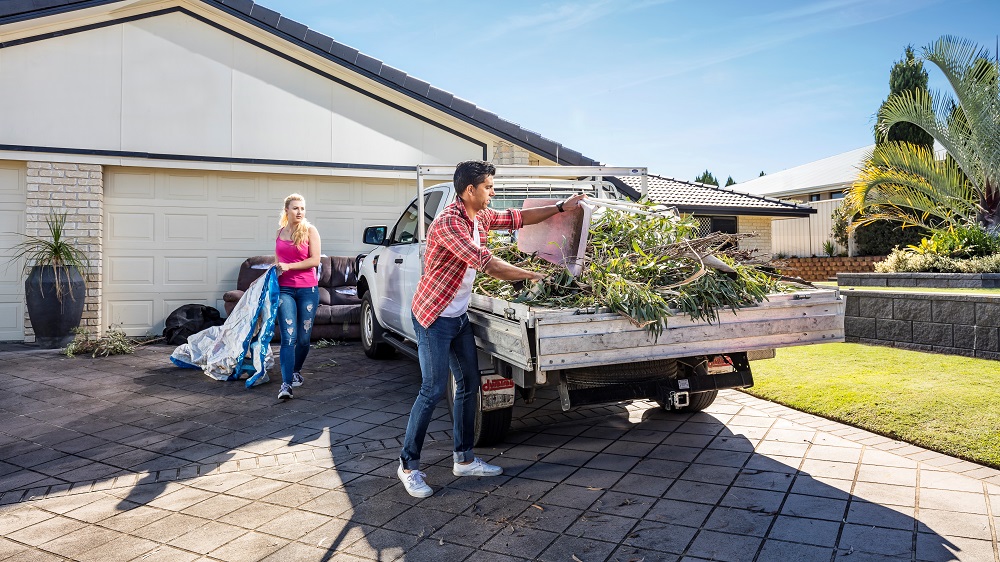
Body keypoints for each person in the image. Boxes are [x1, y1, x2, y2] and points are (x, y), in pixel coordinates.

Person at [397, 160, 586, 498]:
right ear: (470, 190)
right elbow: (488, 264)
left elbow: (518, 217)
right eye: (488, 187)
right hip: (433, 317)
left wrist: (561, 206)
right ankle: (408, 466)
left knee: (470, 384)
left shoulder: (479, 216)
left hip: (457, 317)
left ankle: (464, 459)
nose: (493, 193)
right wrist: (535, 275)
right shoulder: (449, 223)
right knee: (432, 389)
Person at [274, 193, 321, 400]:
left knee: (303, 339)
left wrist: (289, 266)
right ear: (287, 210)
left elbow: (315, 260)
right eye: (295, 208)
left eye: (302, 208)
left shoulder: (310, 231)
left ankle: (295, 371)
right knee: (288, 337)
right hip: (284, 290)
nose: (299, 212)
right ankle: (286, 385)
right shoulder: (280, 233)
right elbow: (278, 263)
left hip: (307, 290)